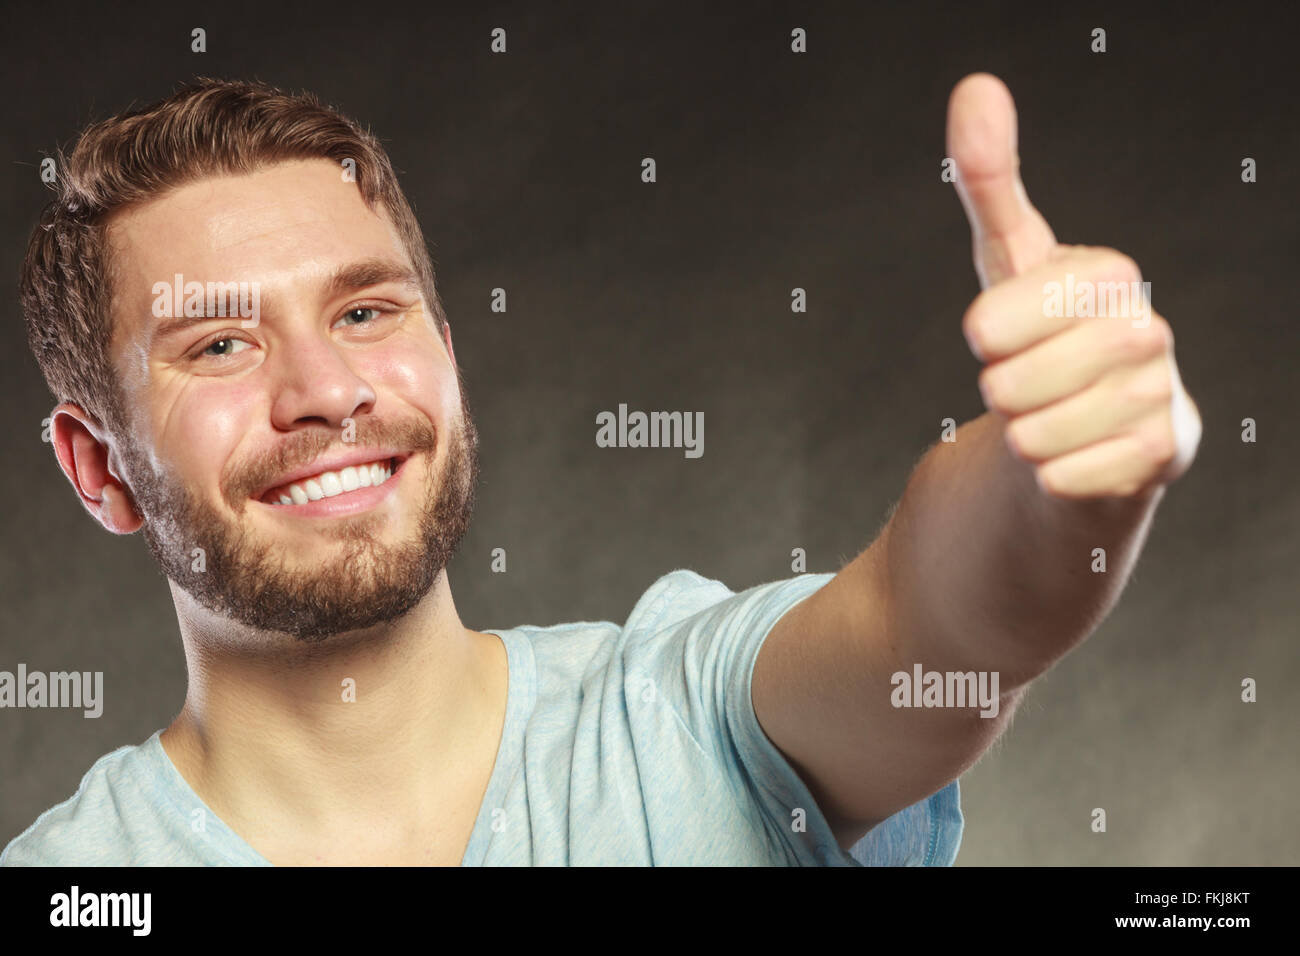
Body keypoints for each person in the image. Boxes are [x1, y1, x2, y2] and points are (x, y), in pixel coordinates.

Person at [2, 72, 1200, 866]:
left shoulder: (694, 718)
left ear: (446, 357)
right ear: (98, 467)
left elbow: (933, 623)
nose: (326, 388)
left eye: (365, 312)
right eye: (220, 343)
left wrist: (1056, 484)